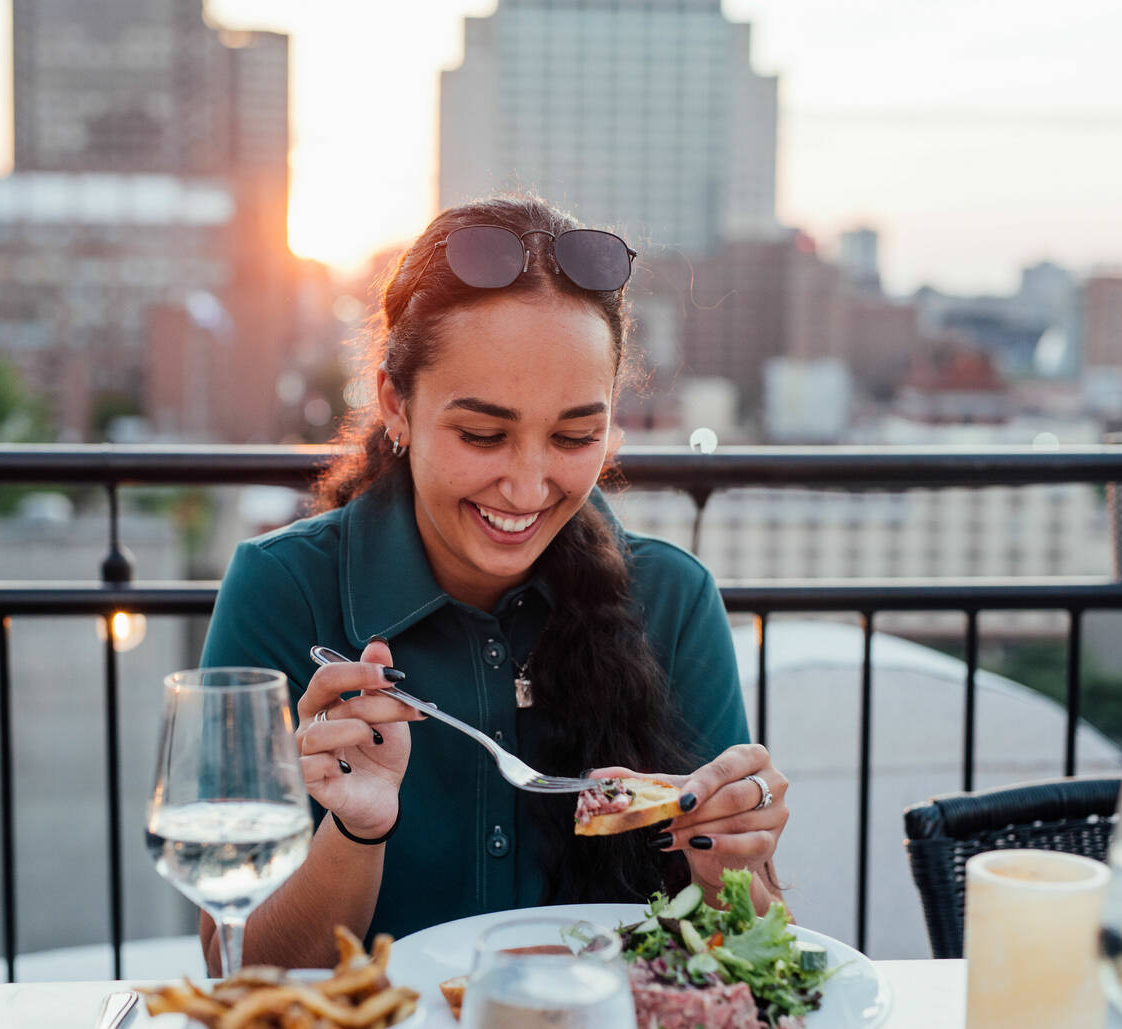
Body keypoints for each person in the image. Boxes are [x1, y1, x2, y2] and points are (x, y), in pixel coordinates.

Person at [198, 195, 790, 971]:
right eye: (483, 434)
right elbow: (235, 967)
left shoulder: (672, 601)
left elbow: (754, 967)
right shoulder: (281, 590)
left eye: (575, 435)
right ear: (394, 404)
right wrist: (356, 828)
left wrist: (734, 870)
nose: (526, 485)